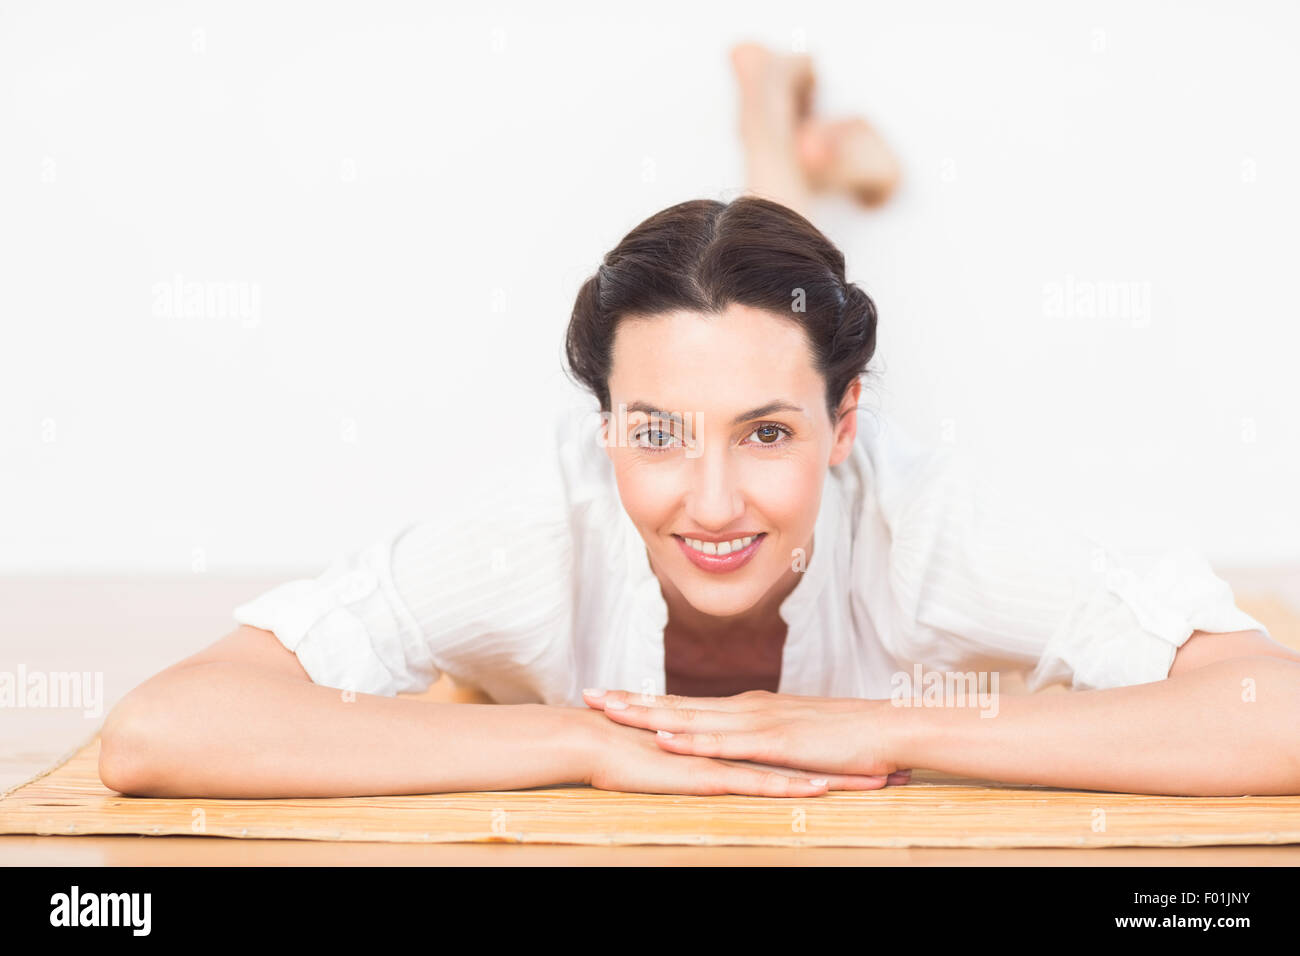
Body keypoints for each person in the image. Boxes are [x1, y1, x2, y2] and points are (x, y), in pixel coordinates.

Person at [98, 44, 1300, 801]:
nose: (711, 500)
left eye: (770, 434)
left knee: (765, 294)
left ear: (845, 428)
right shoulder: (538, 522)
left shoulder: (927, 523)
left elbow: (1274, 714)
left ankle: (775, 115)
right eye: (654, 430)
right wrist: (582, 744)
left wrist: (871, 727)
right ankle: (778, 120)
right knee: (751, 295)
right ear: (601, 424)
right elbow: (160, 730)